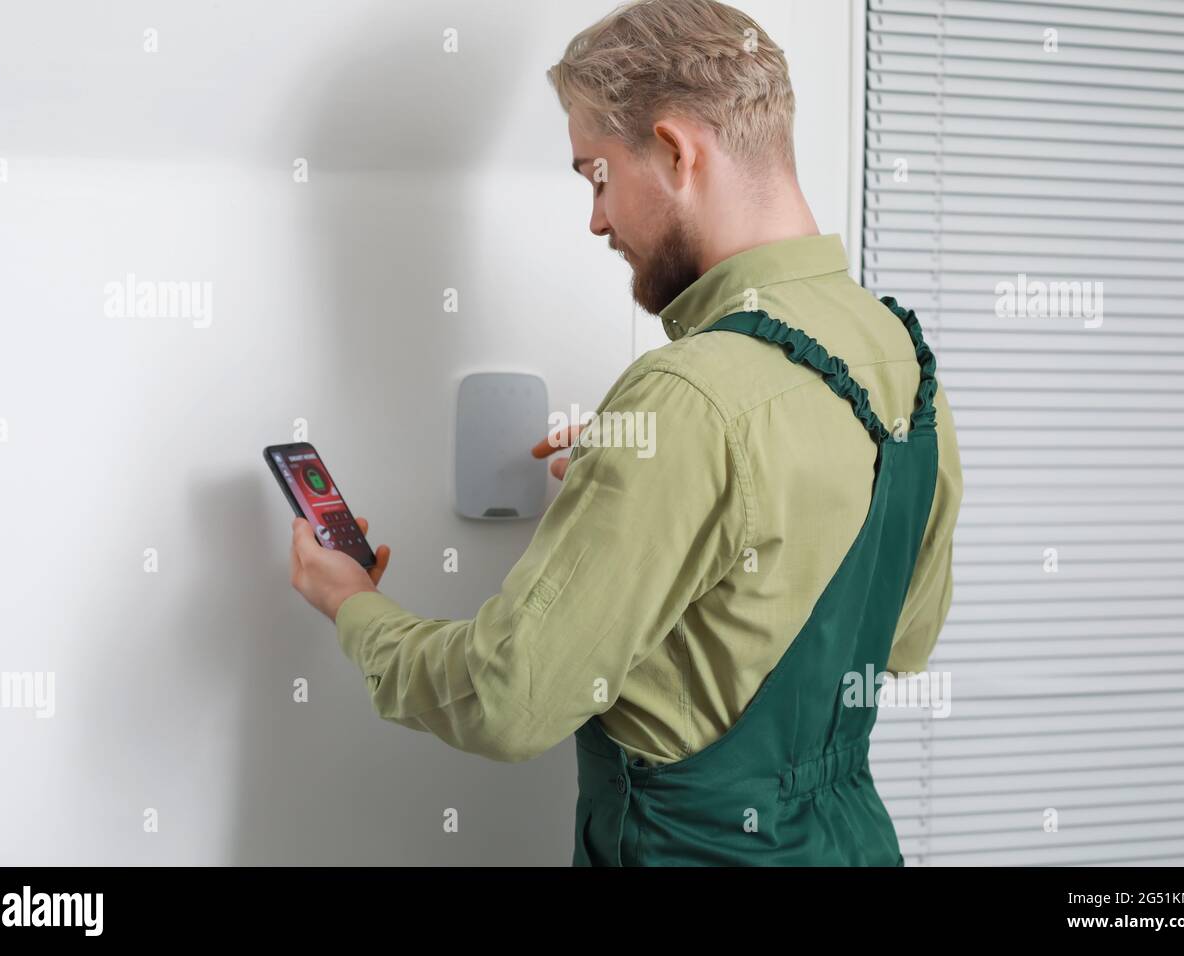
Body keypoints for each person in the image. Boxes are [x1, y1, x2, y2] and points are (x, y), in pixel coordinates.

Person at [288, 0, 962, 866]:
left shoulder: (685, 398)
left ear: (678, 152)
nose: (597, 221)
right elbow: (903, 640)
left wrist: (350, 603)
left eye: (596, 175)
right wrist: (662, 508)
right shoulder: (903, 355)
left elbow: (507, 700)